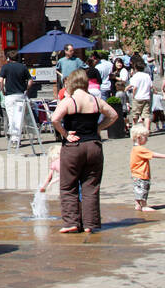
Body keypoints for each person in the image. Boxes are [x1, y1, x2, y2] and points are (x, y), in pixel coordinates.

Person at [48, 69, 120, 233]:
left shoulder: (69, 101)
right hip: (94, 145)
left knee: (68, 186)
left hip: (74, 147)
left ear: (71, 83)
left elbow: (54, 119)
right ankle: (90, 224)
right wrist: (99, 127)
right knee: (91, 186)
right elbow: (114, 115)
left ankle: (72, 222)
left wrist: (65, 134)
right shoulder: (96, 100)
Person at [128, 124, 165, 213]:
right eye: (146, 137)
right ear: (139, 137)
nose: (147, 139)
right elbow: (152, 154)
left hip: (136, 174)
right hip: (141, 174)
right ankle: (144, 206)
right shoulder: (140, 149)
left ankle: (137, 204)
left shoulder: (134, 148)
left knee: (138, 190)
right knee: (143, 190)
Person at [0, 51, 32, 148]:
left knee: (11, 117)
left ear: (9, 58)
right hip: (20, 95)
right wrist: (26, 89)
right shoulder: (23, 67)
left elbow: (0, 80)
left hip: (9, 95)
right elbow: (30, 81)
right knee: (19, 117)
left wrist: (2, 90)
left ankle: (14, 138)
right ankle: (15, 137)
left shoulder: (5, 67)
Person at [126, 54, 153, 128]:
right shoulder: (147, 74)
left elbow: (134, 87)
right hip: (146, 96)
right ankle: (147, 129)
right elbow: (151, 85)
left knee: (135, 113)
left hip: (137, 96)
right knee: (146, 114)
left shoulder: (136, 75)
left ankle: (135, 127)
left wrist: (133, 95)